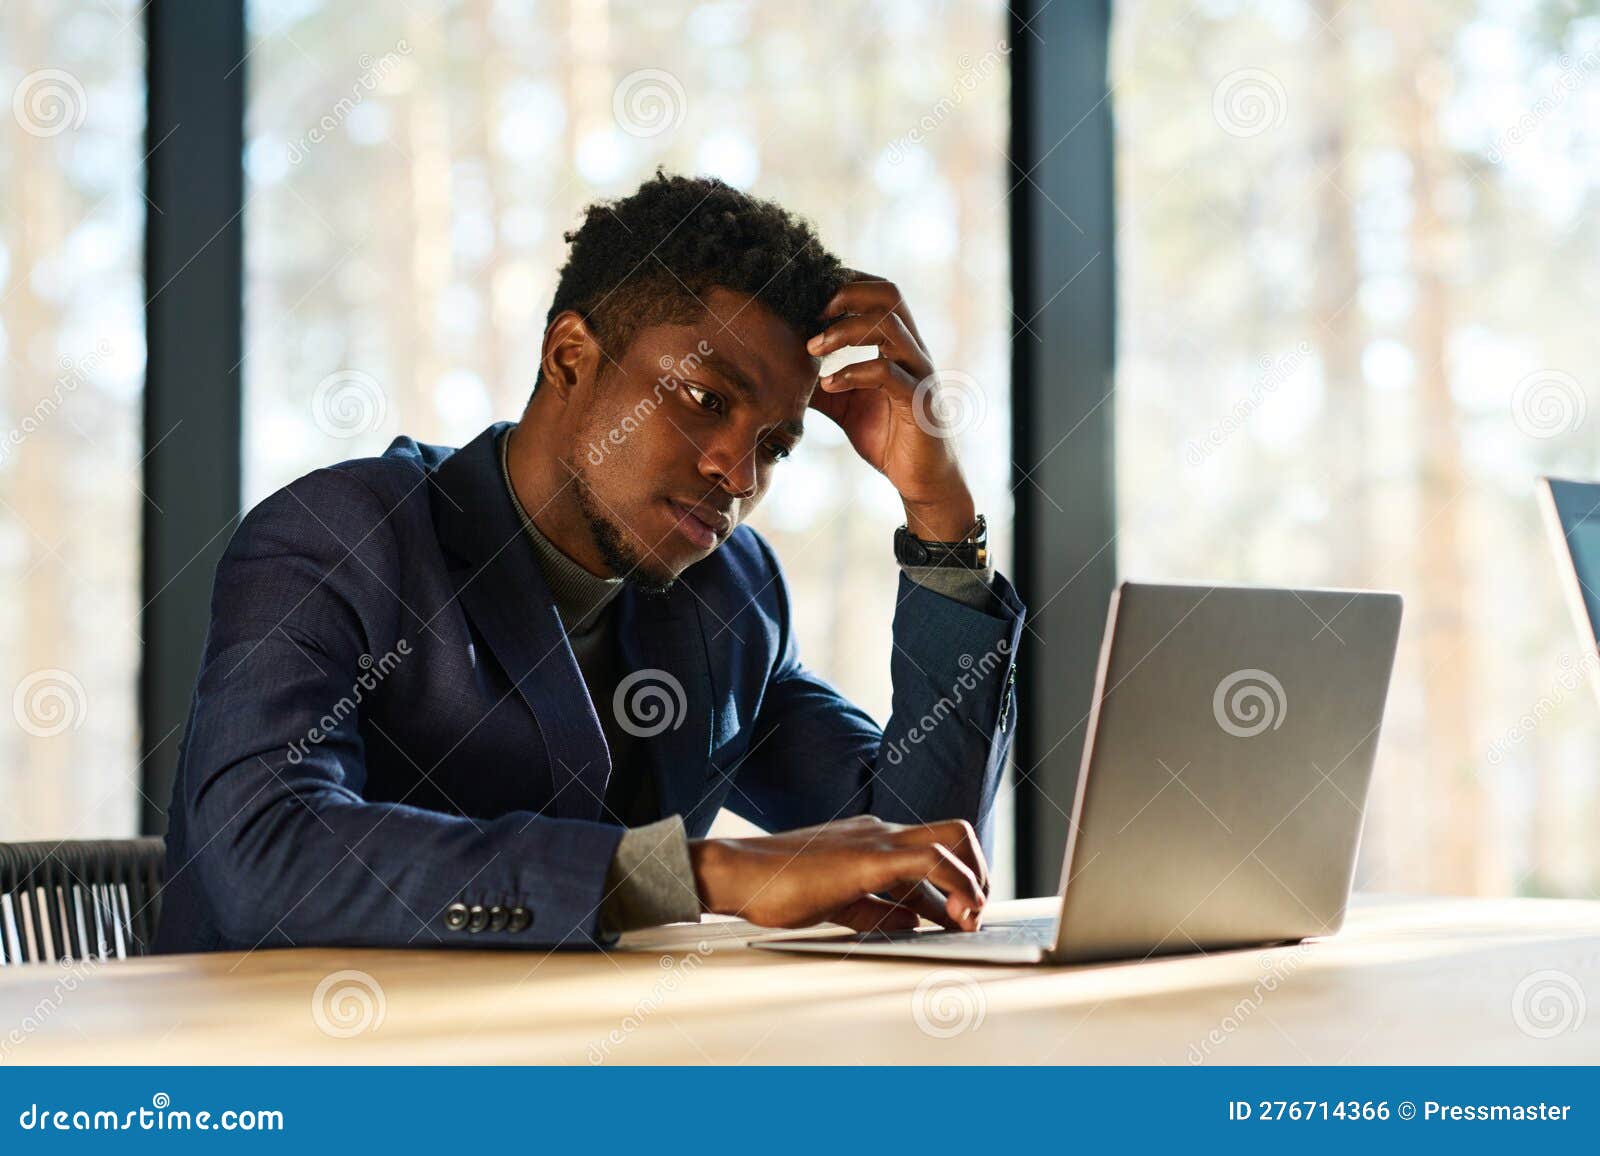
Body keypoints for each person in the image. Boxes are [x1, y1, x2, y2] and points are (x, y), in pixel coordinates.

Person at [155, 170, 1026, 953]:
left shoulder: (730, 595)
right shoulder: (344, 536)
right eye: (703, 397)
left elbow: (914, 854)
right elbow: (265, 851)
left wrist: (941, 518)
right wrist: (699, 875)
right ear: (571, 356)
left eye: (776, 446)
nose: (738, 469)